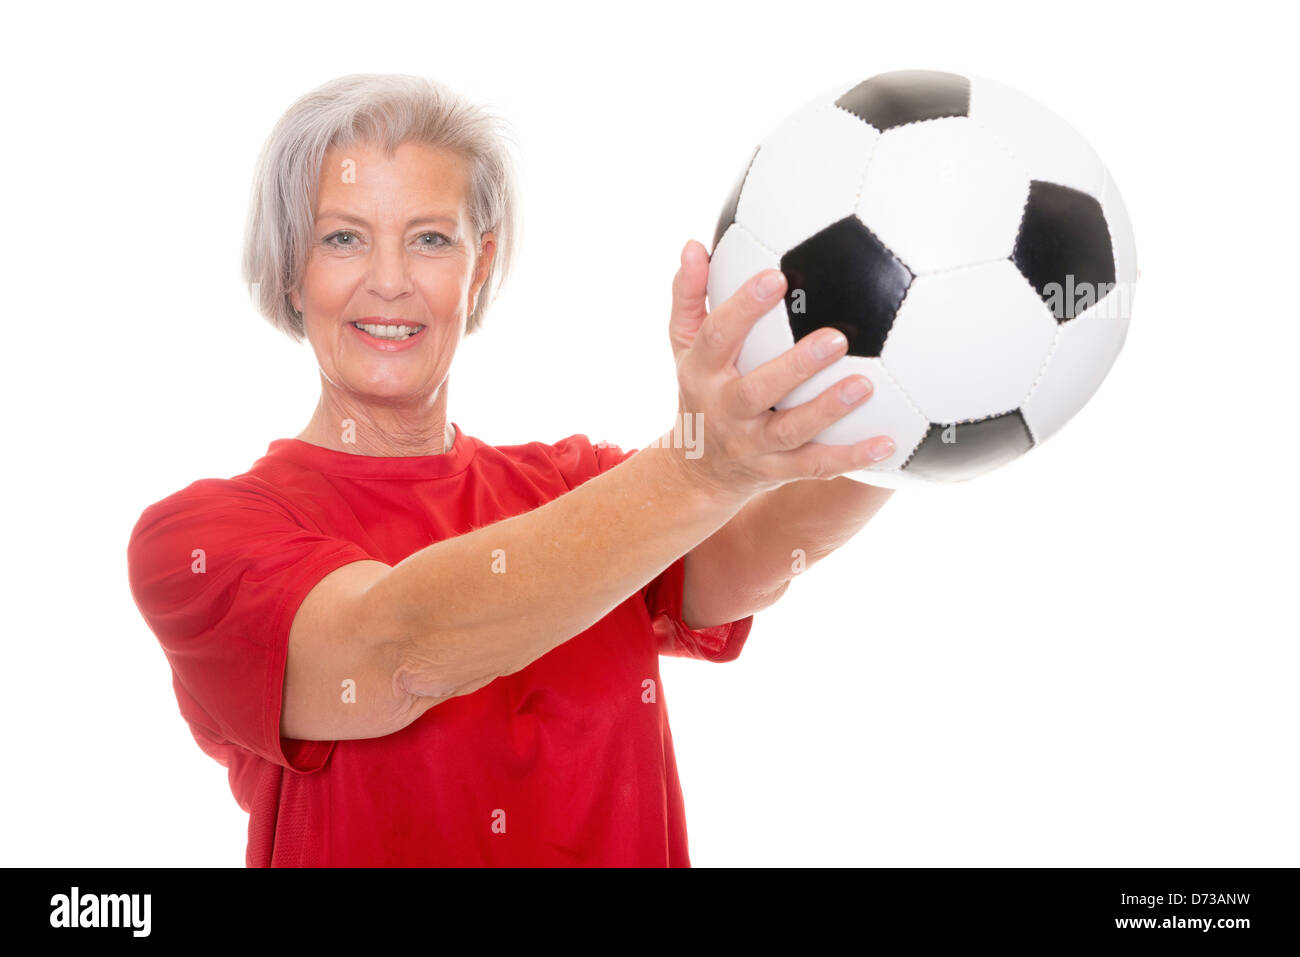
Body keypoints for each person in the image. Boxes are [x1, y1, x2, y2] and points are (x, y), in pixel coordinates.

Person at [126, 73, 897, 867]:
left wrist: (907, 403)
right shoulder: (199, 541)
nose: (389, 280)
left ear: (480, 263)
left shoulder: (581, 490)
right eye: (342, 238)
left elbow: (756, 551)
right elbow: (395, 649)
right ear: (291, 267)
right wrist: (701, 470)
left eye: (431, 238)